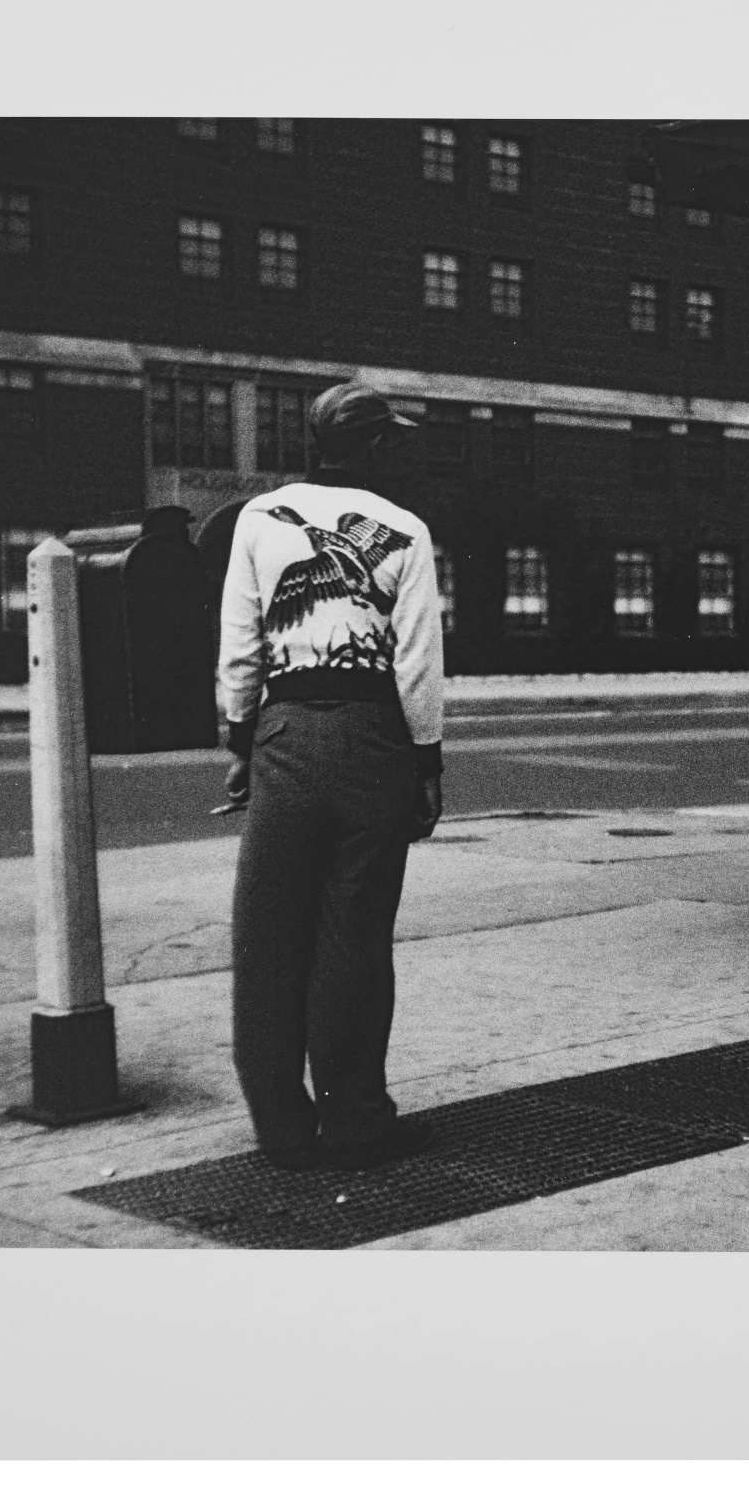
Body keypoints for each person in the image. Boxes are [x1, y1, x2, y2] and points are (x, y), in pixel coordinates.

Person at [215, 380, 445, 1171]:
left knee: (268, 933)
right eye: (394, 440)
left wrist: (243, 739)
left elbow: (241, 645)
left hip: (284, 731)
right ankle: (355, 1118)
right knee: (355, 935)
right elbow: (417, 663)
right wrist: (427, 761)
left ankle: (281, 1126)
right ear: (376, 445)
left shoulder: (256, 518)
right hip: (375, 737)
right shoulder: (407, 530)